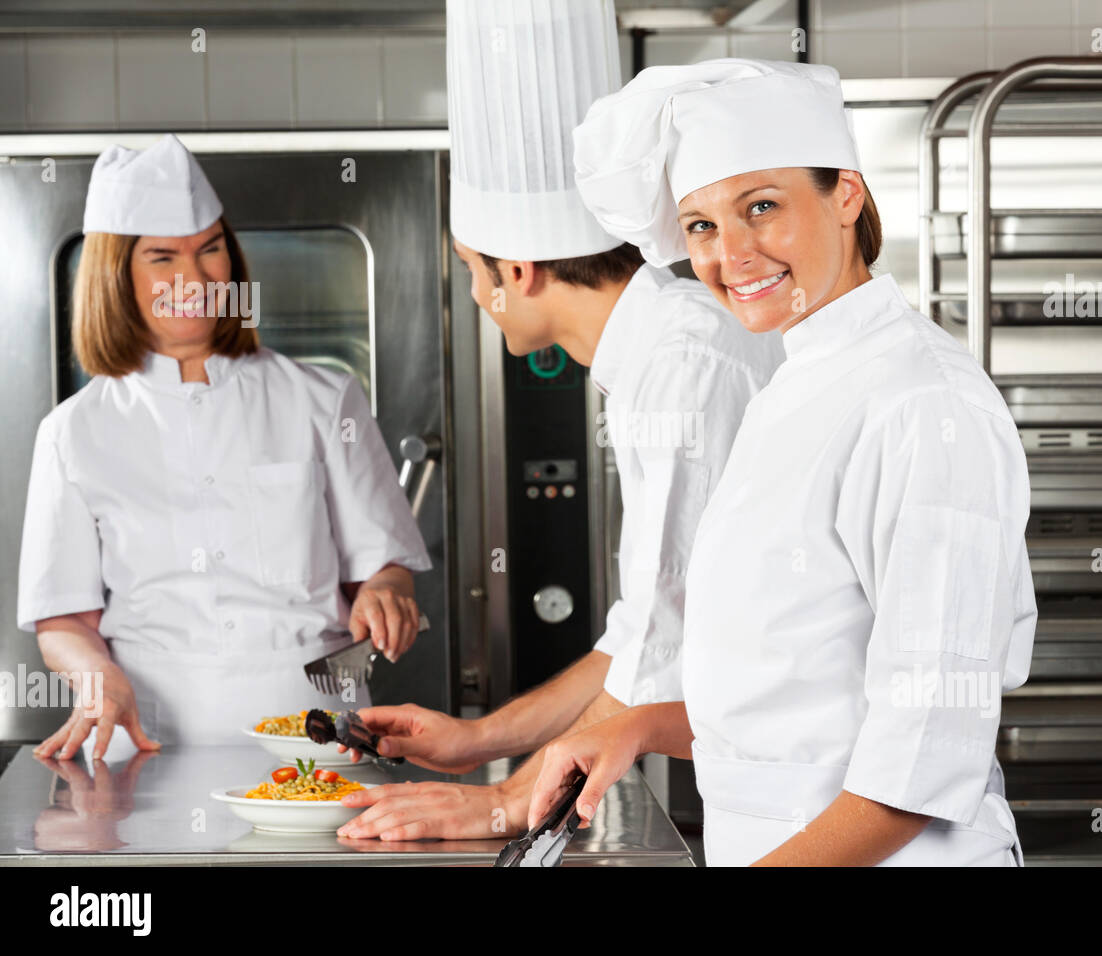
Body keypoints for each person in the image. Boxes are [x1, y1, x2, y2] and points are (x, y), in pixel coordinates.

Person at [526, 58, 1038, 866]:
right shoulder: (793, 383)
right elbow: (789, 695)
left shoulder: (923, 405)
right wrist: (636, 728)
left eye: (760, 207)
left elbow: (922, 755)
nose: (731, 255)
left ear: (847, 195)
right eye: (700, 226)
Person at [334, 1, 783, 842]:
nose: (475, 298)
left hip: (820, 812)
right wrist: (478, 743)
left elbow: (658, 652)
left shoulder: (686, 368)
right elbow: (636, 635)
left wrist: (507, 803)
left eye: (473, 272)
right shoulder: (659, 352)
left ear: (519, 268)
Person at [17, 134, 430, 759]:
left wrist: (387, 592)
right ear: (116, 278)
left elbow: (384, 566)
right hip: (144, 741)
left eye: (210, 249)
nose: (194, 277)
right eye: (162, 258)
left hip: (315, 741)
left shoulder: (325, 400)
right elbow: (64, 620)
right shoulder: (73, 433)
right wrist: (96, 679)